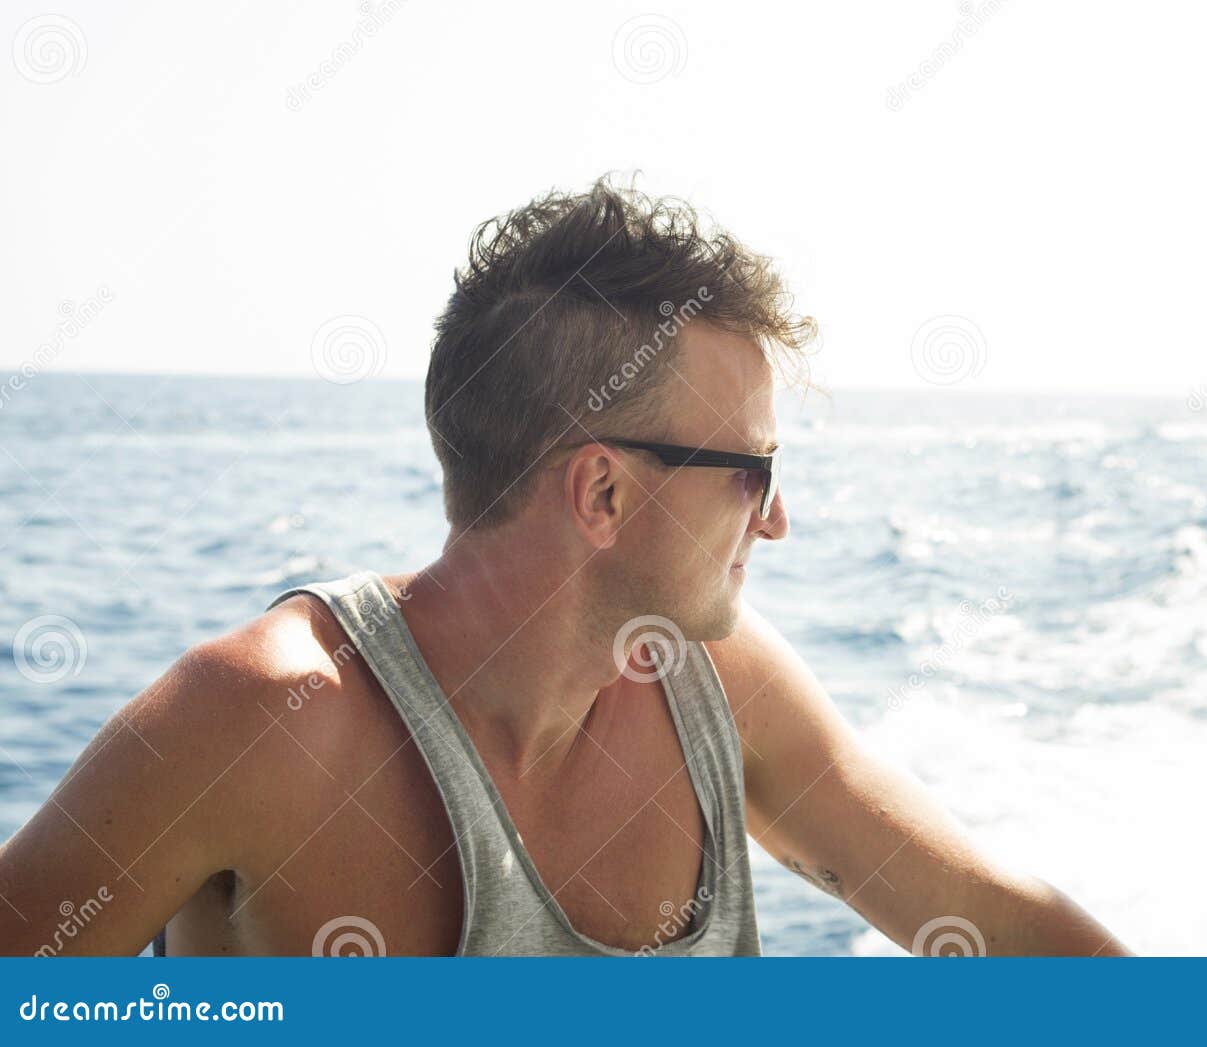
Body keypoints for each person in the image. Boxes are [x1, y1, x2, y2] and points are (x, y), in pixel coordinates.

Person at [0, 177, 1131, 957]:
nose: (776, 522)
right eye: (751, 472)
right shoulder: (261, 721)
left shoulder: (723, 694)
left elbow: (998, 929)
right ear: (601, 492)